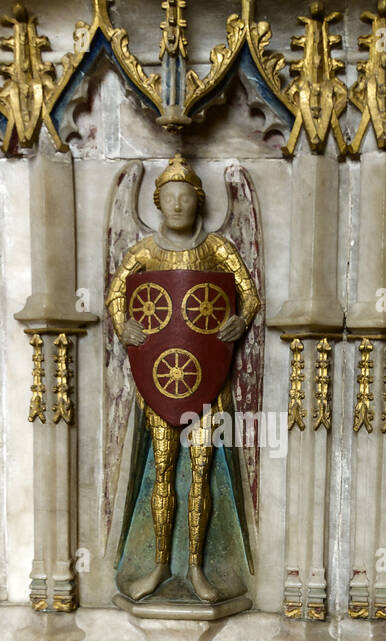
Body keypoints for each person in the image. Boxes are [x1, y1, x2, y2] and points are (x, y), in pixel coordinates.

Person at [106, 154, 260, 603]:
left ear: (197, 202)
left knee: (200, 472)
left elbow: (246, 293)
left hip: (206, 384)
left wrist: (239, 319)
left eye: (185, 197)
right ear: (157, 203)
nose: (177, 205)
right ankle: (158, 566)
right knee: (163, 473)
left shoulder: (216, 249)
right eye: (169, 197)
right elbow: (119, 293)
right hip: (161, 385)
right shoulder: (145, 251)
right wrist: (124, 324)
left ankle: (195, 568)